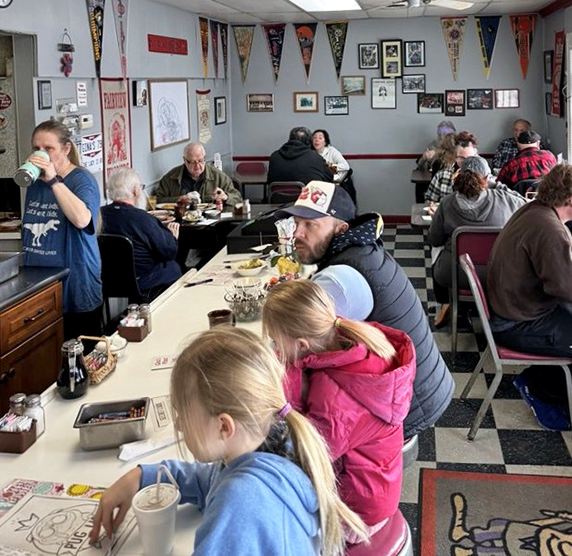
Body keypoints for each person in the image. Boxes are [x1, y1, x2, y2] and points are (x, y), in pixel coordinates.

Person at [89, 328, 366, 556]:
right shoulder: (271, 443)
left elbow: (228, 494)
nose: (178, 425)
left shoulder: (240, 504)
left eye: (183, 414)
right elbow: (209, 479)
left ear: (223, 426)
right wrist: (141, 477)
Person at [275, 181, 454, 439]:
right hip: (423, 387)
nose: (297, 234)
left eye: (310, 225)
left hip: (406, 405)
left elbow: (292, 344)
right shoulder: (361, 249)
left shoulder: (339, 279)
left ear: (341, 229)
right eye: (297, 223)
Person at [262, 280, 416, 540]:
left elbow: (309, 455)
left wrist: (284, 402)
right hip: (377, 488)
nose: (276, 349)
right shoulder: (349, 340)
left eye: (276, 342)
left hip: (359, 513)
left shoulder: (334, 400)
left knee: (274, 521)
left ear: (301, 345)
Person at [486, 163, 572, 429]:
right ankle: (543, 393)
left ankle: (540, 377)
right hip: (521, 322)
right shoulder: (549, 228)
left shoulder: (534, 211)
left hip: (515, 308)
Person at [21, 119, 102, 340]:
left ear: (66, 149)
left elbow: (82, 219)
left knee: (83, 362)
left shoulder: (82, 180)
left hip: (76, 285)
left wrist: (54, 181)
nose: (41, 154)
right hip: (41, 285)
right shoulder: (36, 182)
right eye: (36, 148)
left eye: (48, 149)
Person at [427, 156, 527, 323]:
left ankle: (446, 302)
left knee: (437, 249)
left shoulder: (446, 203)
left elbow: (434, 239)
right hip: (499, 273)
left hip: (455, 274)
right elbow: (526, 204)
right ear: (488, 179)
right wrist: (497, 185)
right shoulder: (505, 199)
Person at [100, 167, 181, 301]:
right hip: (142, 280)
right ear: (136, 191)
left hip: (106, 280)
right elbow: (169, 252)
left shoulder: (99, 215)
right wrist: (172, 237)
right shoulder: (142, 218)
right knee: (173, 267)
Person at [156, 142, 242, 206]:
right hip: (181, 224)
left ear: (204, 158)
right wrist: (179, 200)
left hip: (212, 224)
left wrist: (225, 196)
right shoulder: (171, 178)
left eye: (200, 161)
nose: (197, 166)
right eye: (193, 162)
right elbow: (158, 200)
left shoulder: (219, 177)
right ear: (185, 161)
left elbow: (238, 198)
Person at [424, 131, 478, 204]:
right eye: (461, 158)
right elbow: (429, 200)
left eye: (470, 158)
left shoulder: (483, 179)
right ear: (455, 157)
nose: (466, 162)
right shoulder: (441, 176)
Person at [268, 127, 334, 185]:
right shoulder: (316, 157)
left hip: (278, 197)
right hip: (308, 198)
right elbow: (329, 177)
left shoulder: (274, 156)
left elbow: (269, 180)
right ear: (308, 142)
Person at [312, 128, 357, 204]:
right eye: (314, 138)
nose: (317, 140)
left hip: (333, 184)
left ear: (325, 142)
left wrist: (329, 167)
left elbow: (345, 166)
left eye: (320, 138)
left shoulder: (332, 151)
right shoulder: (310, 153)